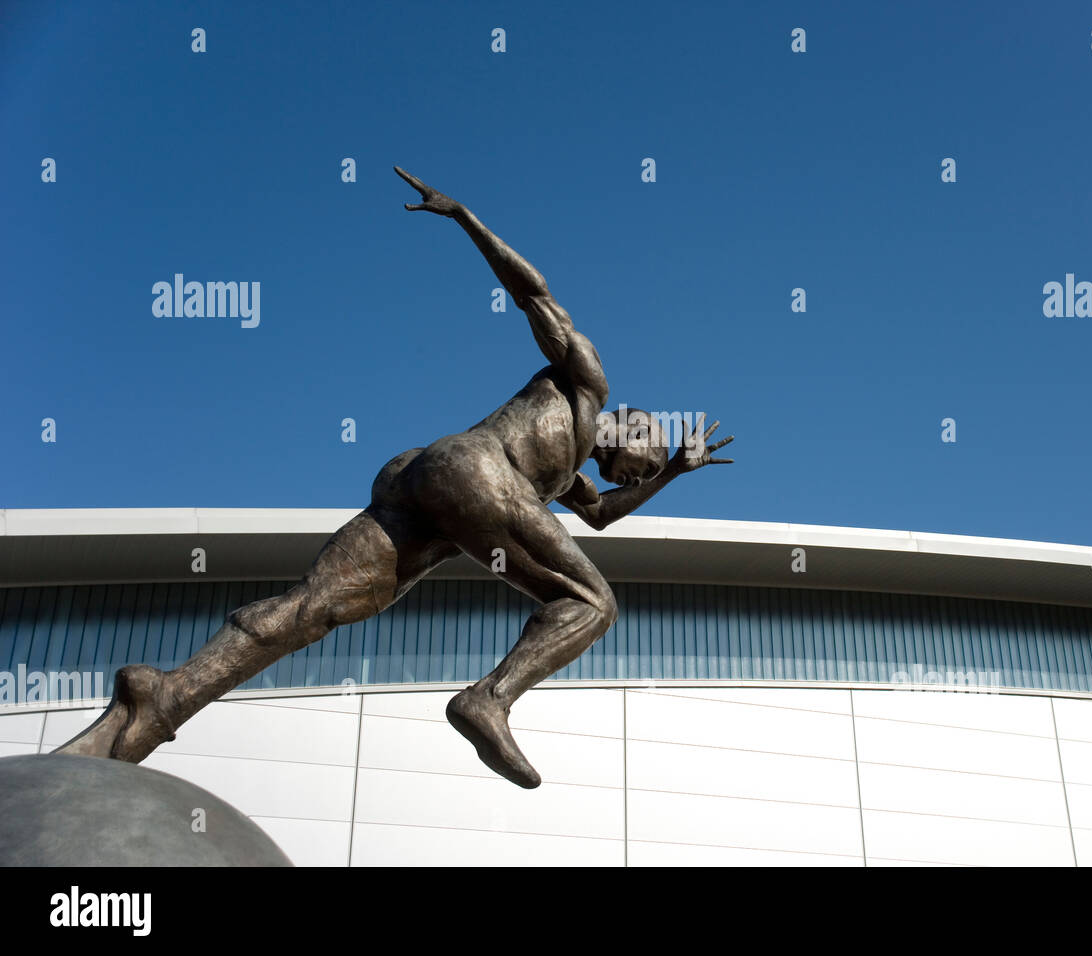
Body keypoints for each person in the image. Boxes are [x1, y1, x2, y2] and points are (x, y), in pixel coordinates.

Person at [56, 167, 734, 788]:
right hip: (472, 471)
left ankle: (158, 701)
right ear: (631, 424)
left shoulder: (569, 478)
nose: (632, 469)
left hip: (420, 480)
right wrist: (466, 217)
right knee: (592, 603)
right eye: (642, 454)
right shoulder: (587, 382)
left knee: (309, 610)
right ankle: (487, 701)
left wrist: (674, 473)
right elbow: (534, 294)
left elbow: (602, 515)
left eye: (639, 469)